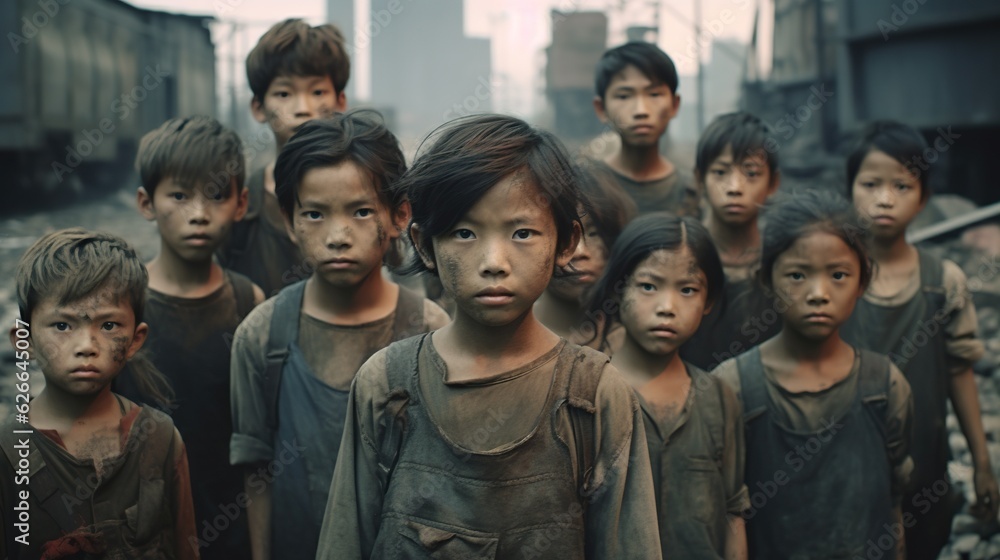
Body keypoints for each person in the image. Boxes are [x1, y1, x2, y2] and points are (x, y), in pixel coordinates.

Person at [316, 114, 662, 559]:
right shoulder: (386, 384)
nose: (494, 261)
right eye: (464, 233)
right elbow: (346, 542)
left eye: (522, 233)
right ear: (424, 245)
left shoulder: (594, 395)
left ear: (566, 242)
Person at [229, 110, 450, 560]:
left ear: (397, 216)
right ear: (288, 220)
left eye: (361, 211)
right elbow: (256, 473)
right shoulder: (261, 334)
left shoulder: (430, 331)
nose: (337, 236)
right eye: (314, 214)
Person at [715, 189, 914, 559]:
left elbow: (894, 500)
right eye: (797, 274)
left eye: (838, 274)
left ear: (863, 282)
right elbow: (728, 509)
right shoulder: (734, 386)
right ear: (767, 280)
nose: (818, 293)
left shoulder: (884, 385)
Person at [841, 121, 998, 560]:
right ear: (850, 188)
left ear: (924, 197)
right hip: (843, 470)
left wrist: (982, 463)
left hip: (925, 472)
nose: (885, 198)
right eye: (870, 184)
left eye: (902, 185)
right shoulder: (832, 281)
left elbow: (959, 372)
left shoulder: (942, 282)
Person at [0, 229, 198, 559]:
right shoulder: (7, 453)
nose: (86, 347)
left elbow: (186, 548)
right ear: (25, 342)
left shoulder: (161, 439)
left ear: (135, 339)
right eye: (62, 326)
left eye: (108, 326)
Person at [122, 115, 262, 559]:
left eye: (216, 196)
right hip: (135, 519)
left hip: (227, 516)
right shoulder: (123, 303)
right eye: (179, 196)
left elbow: (257, 435)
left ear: (240, 204)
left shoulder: (248, 299)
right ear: (147, 203)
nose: (198, 214)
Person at [587, 212, 748, 559]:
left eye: (687, 289)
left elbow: (733, 509)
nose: (667, 307)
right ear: (618, 289)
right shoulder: (587, 392)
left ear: (708, 302)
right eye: (648, 286)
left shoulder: (719, 398)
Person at [218, 18, 350, 297]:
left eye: (318, 92)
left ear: (340, 101)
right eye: (284, 93)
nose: (303, 108)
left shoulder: (368, 195)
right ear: (259, 107)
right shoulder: (242, 203)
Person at [681, 112, 782, 370]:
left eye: (751, 173)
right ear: (699, 178)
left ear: (773, 183)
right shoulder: (679, 254)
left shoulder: (782, 261)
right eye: (720, 172)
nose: (735, 187)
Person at [591, 41, 699, 218]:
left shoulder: (694, 193)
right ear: (601, 108)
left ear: (674, 104)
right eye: (624, 96)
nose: (641, 110)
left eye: (654, 94)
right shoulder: (583, 190)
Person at [534, 162, 634, 348]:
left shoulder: (635, 347)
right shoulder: (501, 339)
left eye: (595, 233)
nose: (579, 252)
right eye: (565, 234)